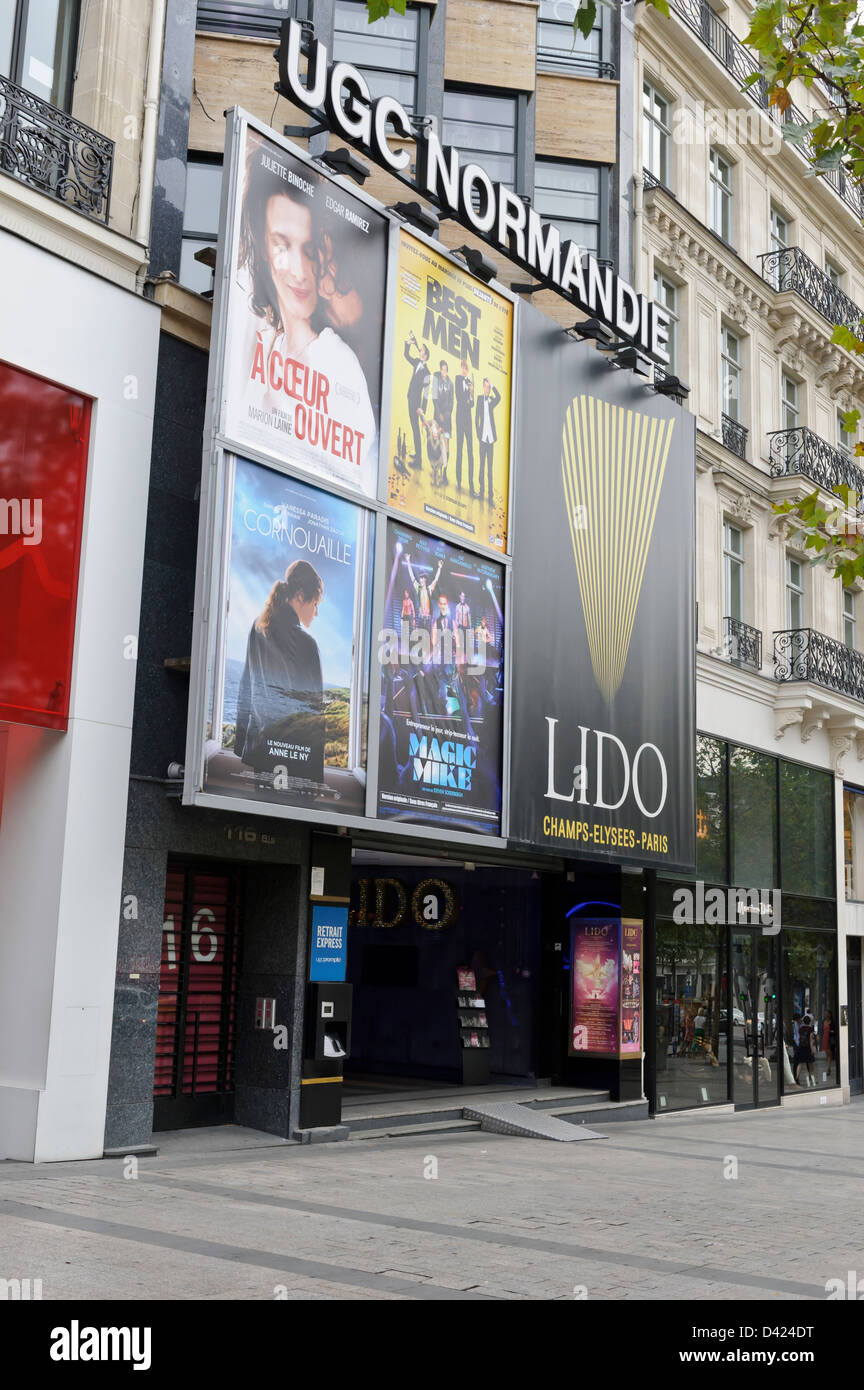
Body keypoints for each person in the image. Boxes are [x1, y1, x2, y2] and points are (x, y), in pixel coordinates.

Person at [237, 140, 377, 495]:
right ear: (264, 247)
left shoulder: (339, 364)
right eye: (282, 244)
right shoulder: (263, 343)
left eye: (310, 249)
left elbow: (356, 490)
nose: (299, 272)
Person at [234, 559, 325, 785]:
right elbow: (314, 717)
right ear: (301, 596)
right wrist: (315, 777)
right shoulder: (307, 644)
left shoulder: (258, 626)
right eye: (315, 604)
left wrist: (240, 746)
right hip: (296, 759)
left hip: (260, 751)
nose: (316, 613)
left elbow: (246, 686)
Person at [404, 332, 431, 467]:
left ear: (425, 355)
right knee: (414, 429)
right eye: (420, 350)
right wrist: (409, 344)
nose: (420, 351)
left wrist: (422, 408)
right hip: (410, 398)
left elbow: (426, 393)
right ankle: (418, 454)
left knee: (416, 430)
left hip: (416, 404)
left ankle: (419, 461)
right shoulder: (416, 362)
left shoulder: (427, 372)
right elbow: (406, 355)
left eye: (422, 350)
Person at [475, 378, 501, 505]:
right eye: (485, 386)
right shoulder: (479, 399)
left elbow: (499, 397)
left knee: (489, 469)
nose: (487, 389)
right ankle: (481, 492)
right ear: (482, 387)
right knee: (481, 466)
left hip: (490, 439)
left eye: (488, 387)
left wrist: (493, 384)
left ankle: (490, 497)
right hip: (482, 439)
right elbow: (476, 418)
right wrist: (478, 435)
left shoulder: (492, 400)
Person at [405, 552, 443, 630]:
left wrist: (439, 568)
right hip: (420, 618)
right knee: (419, 639)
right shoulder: (418, 588)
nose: (422, 579)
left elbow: (436, 580)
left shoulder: (429, 589)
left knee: (428, 639)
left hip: (428, 618)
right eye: (421, 578)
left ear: (425, 579)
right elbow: (411, 576)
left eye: (423, 578)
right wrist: (408, 561)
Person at [455, 359, 475, 495]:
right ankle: (458, 481)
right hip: (459, 419)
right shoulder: (457, 379)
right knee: (459, 450)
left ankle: (471, 485)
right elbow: (459, 397)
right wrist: (467, 397)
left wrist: (472, 393)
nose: (463, 370)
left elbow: (471, 404)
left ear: (468, 370)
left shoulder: (470, 383)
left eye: (465, 368)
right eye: (462, 367)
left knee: (470, 452)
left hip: (468, 420)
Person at [430, 360, 454, 474]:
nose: (444, 372)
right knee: (436, 443)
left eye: (445, 370)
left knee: (446, 443)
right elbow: (434, 398)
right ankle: (436, 468)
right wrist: (439, 413)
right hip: (437, 416)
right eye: (442, 369)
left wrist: (445, 414)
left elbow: (451, 403)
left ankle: (445, 470)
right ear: (440, 370)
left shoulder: (451, 384)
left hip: (447, 418)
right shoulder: (436, 378)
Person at [795, 1010, 816, 1087]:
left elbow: (799, 1038)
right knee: (811, 1064)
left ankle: (797, 1078)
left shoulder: (801, 1029)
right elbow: (811, 1040)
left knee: (800, 1063)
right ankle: (812, 1079)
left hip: (801, 1047)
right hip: (807, 1048)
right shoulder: (810, 1029)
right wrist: (812, 1049)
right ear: (810, 1021)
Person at [821, 1009, 837, 1082]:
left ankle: (828, 1068)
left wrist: (831, 1031)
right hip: (825, 1038)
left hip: (830, 1038)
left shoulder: (832, 1022)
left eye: (827, 1013)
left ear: (830, 1015)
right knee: (827, 1054)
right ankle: (828, 1067)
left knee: (829, 1053)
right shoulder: (823, 1021)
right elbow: (822, 1030)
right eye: (825, 1013)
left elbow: (835, 1030)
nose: (826, 1015)